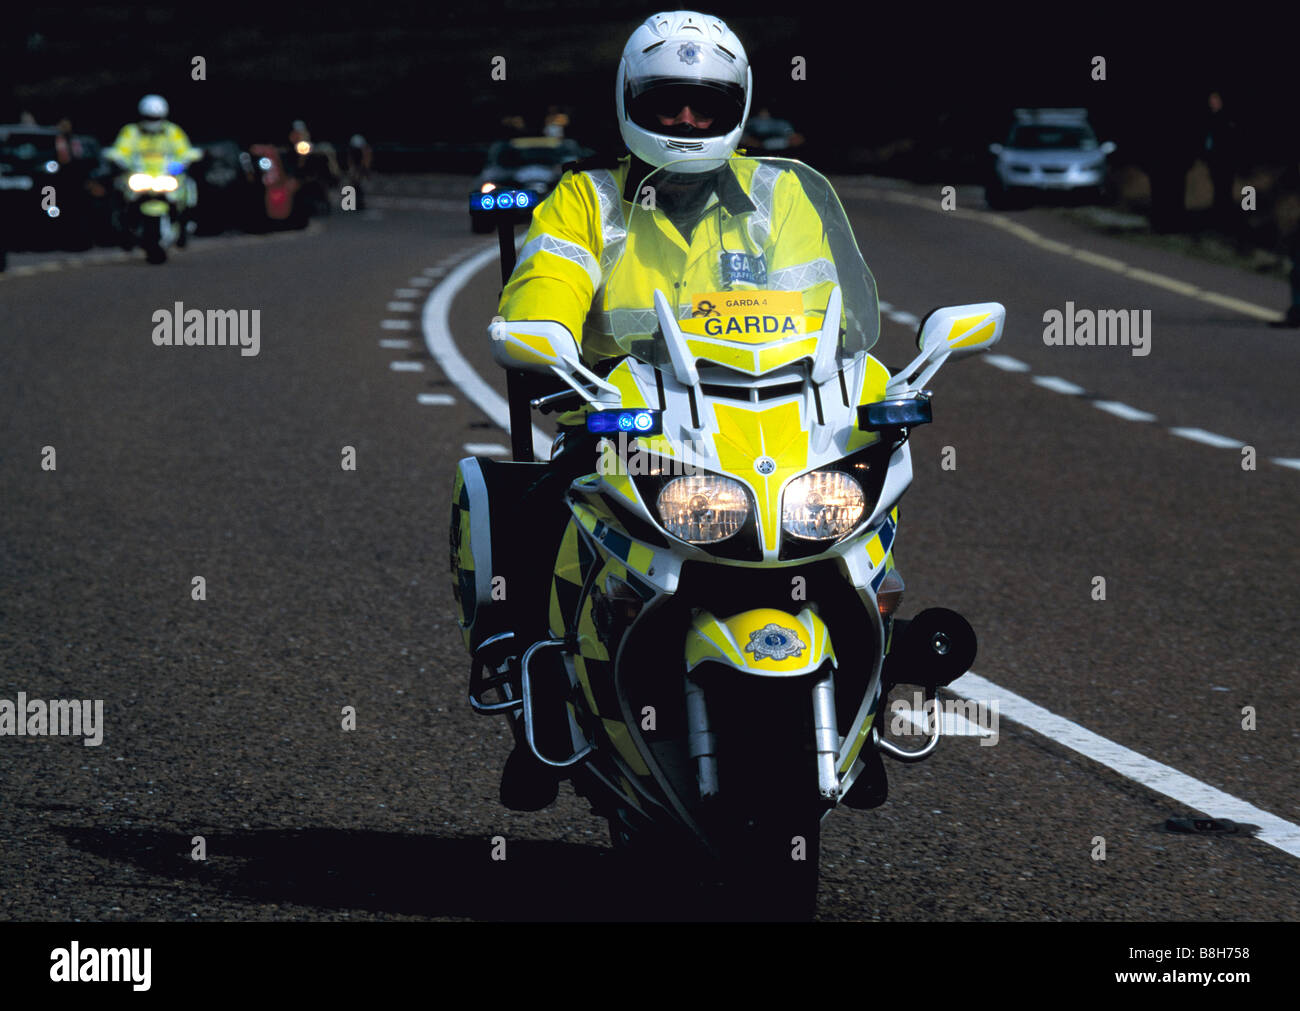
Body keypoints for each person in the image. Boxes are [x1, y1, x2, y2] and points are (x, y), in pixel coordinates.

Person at [482, 10, 879, 811]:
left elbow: (833, 315)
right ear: (632, 100)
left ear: (737, 105)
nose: (688, 119)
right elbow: (545, 289)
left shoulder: (781, 196)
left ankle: (875, 697)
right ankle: (537, 697)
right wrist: (543, 335)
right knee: (537, 512)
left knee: (862, 521)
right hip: (626, 423)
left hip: (766, 421)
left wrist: (870, 385)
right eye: (668, 101)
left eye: (706, 102)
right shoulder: (583, 200)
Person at [106, 95, 202, 241]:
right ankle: (122, 225)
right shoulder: (131, 131)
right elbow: (119, 150)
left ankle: (185, 222)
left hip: (165, 177)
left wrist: (185, 161)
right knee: (118, 186)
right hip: (140, 177)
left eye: (156, 118)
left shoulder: (172, 131)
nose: (152, 121)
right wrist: (119, 160)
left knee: (188, 185)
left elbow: (185, 151)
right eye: (149, 117)